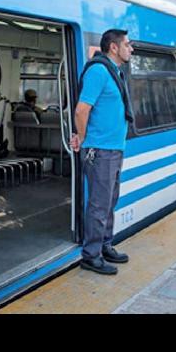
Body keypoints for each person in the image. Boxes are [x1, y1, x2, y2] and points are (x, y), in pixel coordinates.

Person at [69, 28, 134, 275]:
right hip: (100, 151)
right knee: (99, 204)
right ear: (114, 47)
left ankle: (105, 245)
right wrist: (83, 139)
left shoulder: (114, 71)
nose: (131, 49)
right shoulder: (98, 71)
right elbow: (81, 110)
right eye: (127, 44)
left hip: (114, 149)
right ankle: (91, 255)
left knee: (109, 202)